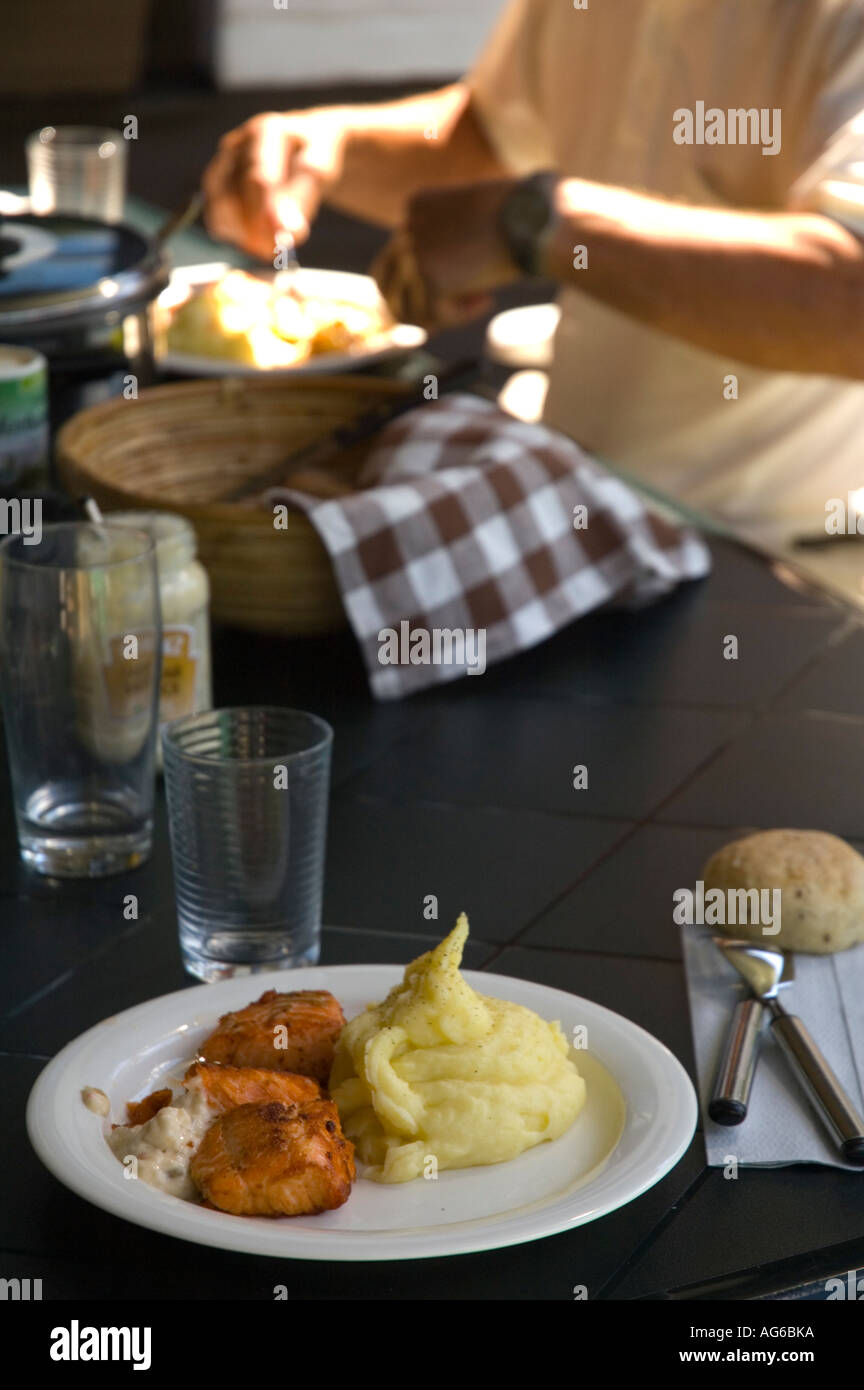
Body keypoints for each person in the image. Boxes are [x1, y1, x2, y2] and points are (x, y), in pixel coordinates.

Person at [203, 0, 864, 553]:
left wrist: (541, 222)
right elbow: (491, 137)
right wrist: (330, 146)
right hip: (574, 503)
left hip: (784, 560)